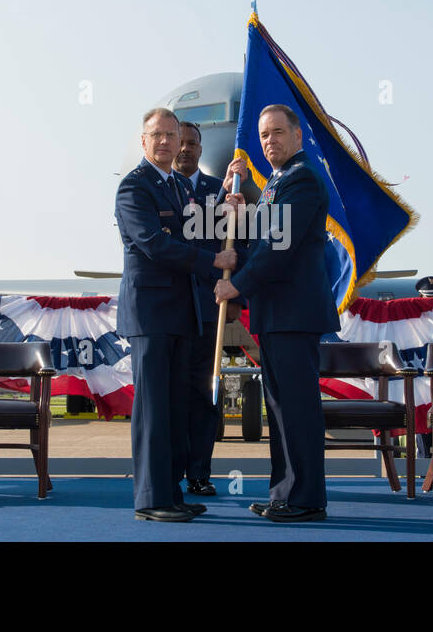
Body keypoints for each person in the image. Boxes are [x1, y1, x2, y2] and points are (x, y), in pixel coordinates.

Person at [215, 104, 340, 523]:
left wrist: (238, 284)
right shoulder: (277, 182)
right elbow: (264, 234)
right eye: (264, 135)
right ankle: (285, 493)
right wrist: (243, 211)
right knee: (282, 408)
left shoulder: (302, 178)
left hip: (293, 313)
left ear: (298, 136)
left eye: (278, 133)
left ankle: (306, 498)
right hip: (277, 314)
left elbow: (278, 248)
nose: (270, 142)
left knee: (298, 408)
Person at [114, 107, 237, 522]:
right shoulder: (135, 188)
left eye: (173, 136)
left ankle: (170, 492)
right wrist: (211, 261)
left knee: (173, 409)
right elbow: (154, 243)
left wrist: (229, 202)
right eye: (158, 135)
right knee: (152, 409)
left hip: (181, 315)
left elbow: (196, 231)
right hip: (151, 316)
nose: (167, 143)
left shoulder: (178, 190)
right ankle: (150, 498)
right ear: (143, 141)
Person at [173, 121, 234, 496]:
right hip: (169, 309)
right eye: (179, 143)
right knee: (170, 395)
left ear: (200, 149)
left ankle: (199, 473)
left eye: (191, 144)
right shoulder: (156, 190)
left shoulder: (220, 194)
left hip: (208, 311)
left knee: (205, 394)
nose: (184, 150)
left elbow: (236, 245)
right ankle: (167, 472)